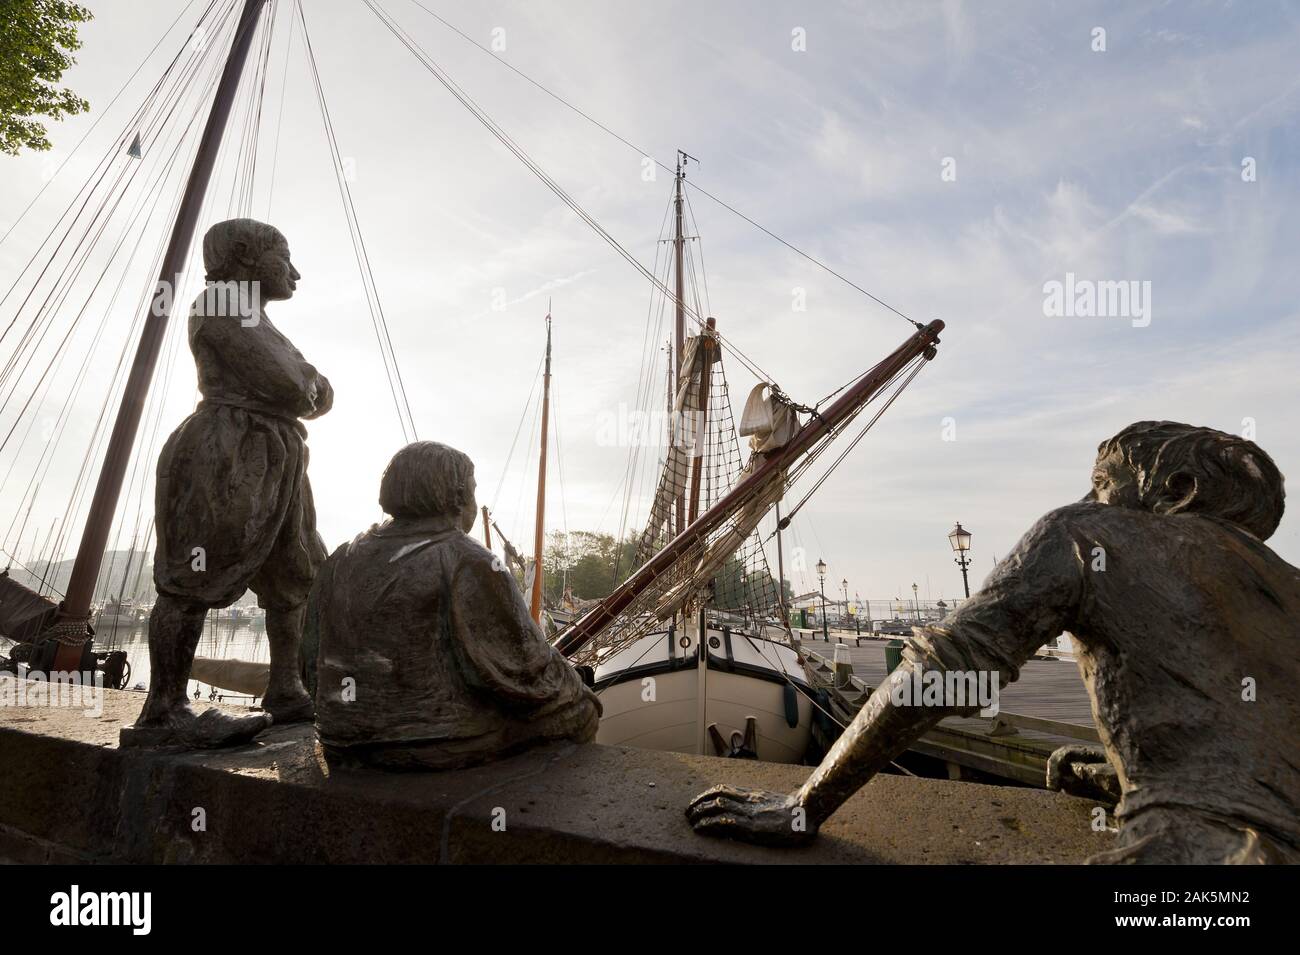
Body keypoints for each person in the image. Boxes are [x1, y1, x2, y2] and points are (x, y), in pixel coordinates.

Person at [688, 421, 1300, 863]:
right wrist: (1126, 772)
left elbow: (941, 674)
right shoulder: (1285, 586)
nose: (1091, 500)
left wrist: (803, 806)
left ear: (1180, 488)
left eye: (1102, 483)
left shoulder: (1090, 534)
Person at [123, 219, 331, 748]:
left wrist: (306, 384)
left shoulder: (259, 319)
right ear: (243, 253)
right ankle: (164, 709)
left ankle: (286, 689)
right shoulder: (219, 305)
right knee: (195, 574)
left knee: (295, 570)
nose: (296, 273)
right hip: (227, 454)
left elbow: (317, 395)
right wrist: (305, 380)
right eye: (285, 259)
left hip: (279, 455)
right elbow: (290, 384)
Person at [314, 441, 600, 771]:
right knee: (581, 710)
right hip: (429, 742)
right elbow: (521, 672)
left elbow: (309, 659)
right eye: (473, 492)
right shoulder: (467, 559)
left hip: (337, 738)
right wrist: (572, 681)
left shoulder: (340, 557)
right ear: (456, 497)